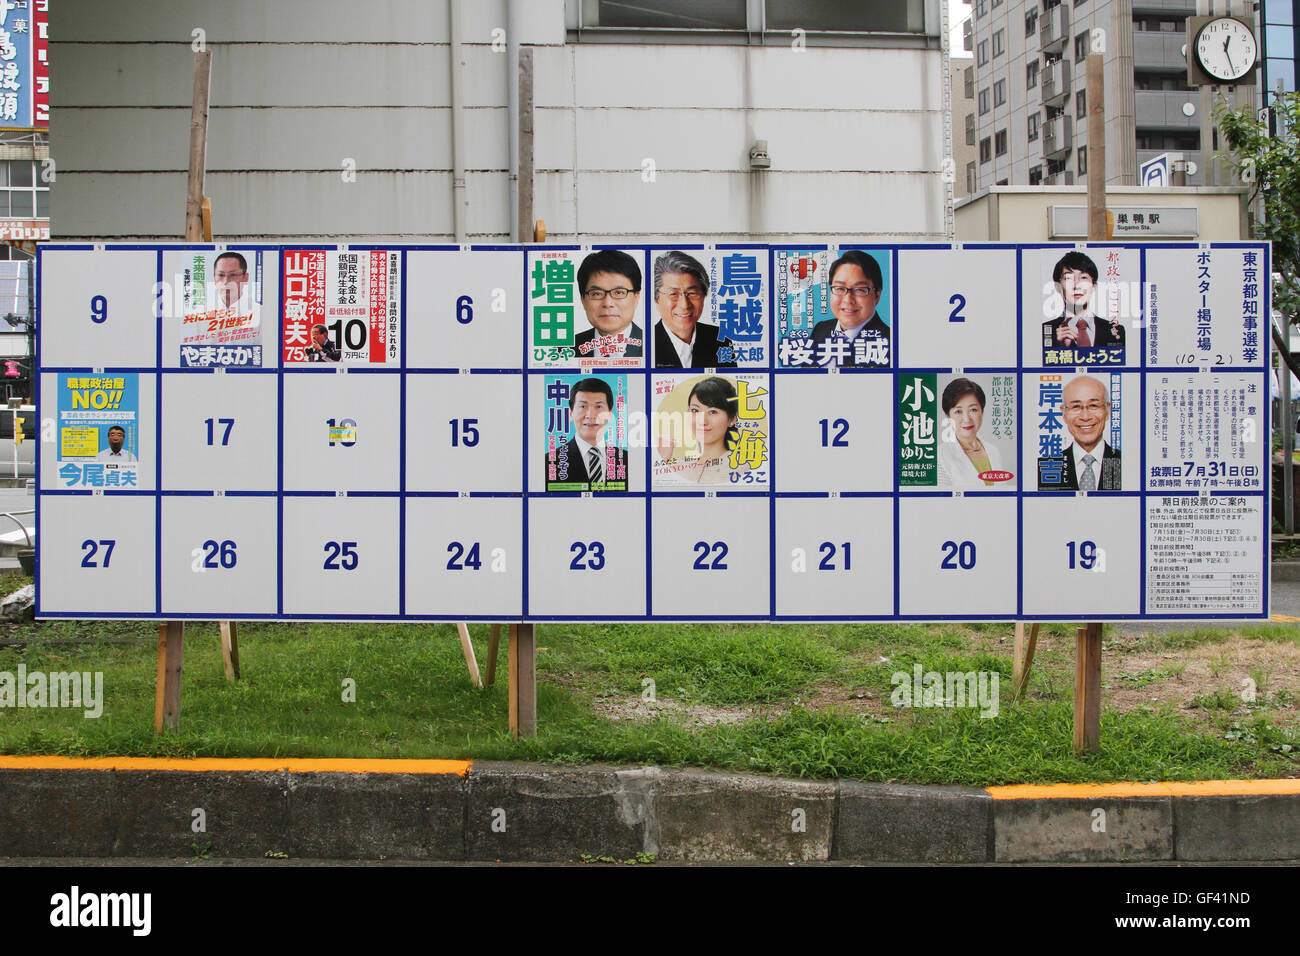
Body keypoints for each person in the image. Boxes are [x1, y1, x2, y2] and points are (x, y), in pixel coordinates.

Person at [652, 250, 737, 368]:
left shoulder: (721, 340)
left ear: (703, 296)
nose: (684, 304)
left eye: (692, 293)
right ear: (657, 299)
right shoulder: (645, 345)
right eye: (673, 294)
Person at [1038, 374, 1121, 491]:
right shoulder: (1043, 468)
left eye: (1093, 405)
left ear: (1107, 410)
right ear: (1064, 413)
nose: (1085, 417)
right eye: (1076, 406)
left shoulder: (1128, 464)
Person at [808, 250, 890, 368]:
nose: (848, 299)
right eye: (840, 288)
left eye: (860, 289)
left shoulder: (892, 344)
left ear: (877, 295)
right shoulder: (821, 329)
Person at [544, 377, 627, 490]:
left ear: (609, 414)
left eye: (598, 406)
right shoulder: (549, 463)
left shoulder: (628, 460)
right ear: (571, 413)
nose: (590, 415)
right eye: (583, 406)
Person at [1041, 250, 1124, 355]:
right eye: (1068, 278)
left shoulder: (1116, 331)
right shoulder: (1043, 332)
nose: (1076, 285)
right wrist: (1059, 346)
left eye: (1083, 277)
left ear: (1094, 286)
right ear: (1057, 287)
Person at [659, 376, 738, 485]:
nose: (702, 421)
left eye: (713, 412)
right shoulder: (675, 466)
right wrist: (663, 459)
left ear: (732, 418)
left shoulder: (744, 468)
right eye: (695, 410)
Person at [574, 249, 643, 361]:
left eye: (619, 292)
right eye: (597, 294)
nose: (608, 303)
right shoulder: (565, 351)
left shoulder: (654, 346)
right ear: (583, 300)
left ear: (636, 297)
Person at [936, 378, 1003, 489]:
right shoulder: (940, 455)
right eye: (958, 411)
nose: (966, 419)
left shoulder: (994, 451)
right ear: (948, 416)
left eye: (973, 410)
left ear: (982, 411)